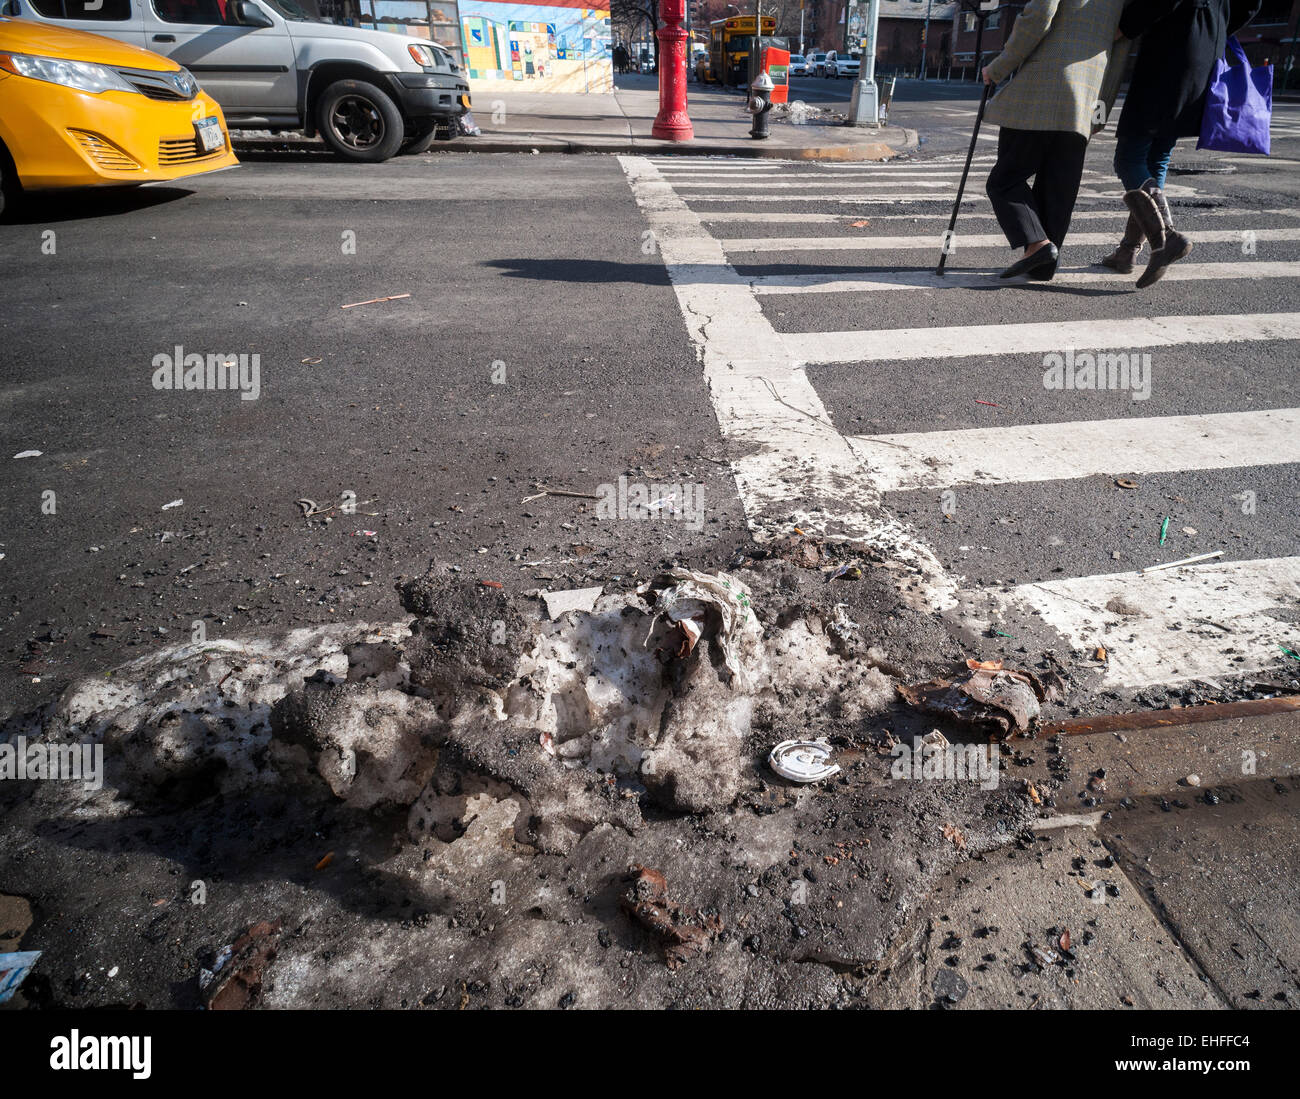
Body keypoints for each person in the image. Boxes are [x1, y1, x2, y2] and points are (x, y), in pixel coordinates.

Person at [1101, 0, 1261, 286]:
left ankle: (1169, 237)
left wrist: (1125, 27)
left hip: (1170, 51)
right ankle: (1127, 251)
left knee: (1129, 157)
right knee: (1157, 156)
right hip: (1206, 54)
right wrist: (1216, 27)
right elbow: (1250, 5)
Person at [980, 0, 1130, 281]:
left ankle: (1038, 246)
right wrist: (1099, 111)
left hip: (1042, 92)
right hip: (1084, 102)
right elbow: (1121, 47)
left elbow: (1039, 16)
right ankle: (1043, 263)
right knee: (1058, 188)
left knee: (1005, 181)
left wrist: (999, 67)